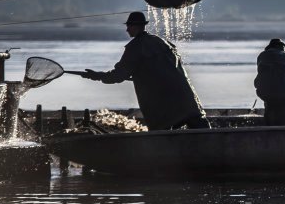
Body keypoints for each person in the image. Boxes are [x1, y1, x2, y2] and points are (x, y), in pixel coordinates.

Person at [82, 11, 210, 130]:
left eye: (129, 26)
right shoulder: (162, 42)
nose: (127, 30)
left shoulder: (135, 47)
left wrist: (95, 75)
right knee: (200, 126)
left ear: (136, 26)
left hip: (162, 102)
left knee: (161, 131)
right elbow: (160, 70)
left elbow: (118, 75)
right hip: (185, 97)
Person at [254, 38, 285, 126]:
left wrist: (260, 91)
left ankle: (269, 133)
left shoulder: (262, 56)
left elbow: (261, 76)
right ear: (283, 48)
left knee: (270, 119)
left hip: (267, 92)